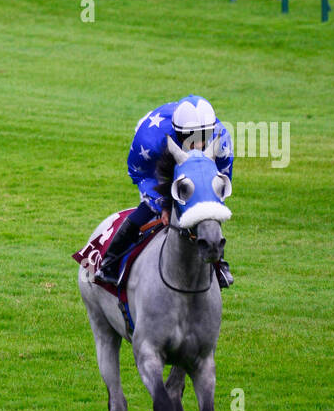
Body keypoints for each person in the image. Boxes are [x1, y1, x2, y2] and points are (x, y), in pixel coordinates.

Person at [97, 94, 234, 286]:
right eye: (191, 139)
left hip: (199, 170)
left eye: (203, 138)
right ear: (179, 134)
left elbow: (219, 181)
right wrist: (162, 205)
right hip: (157, 165)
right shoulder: (149, 139)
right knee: (147, 210)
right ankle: (109, 262)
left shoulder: (222, 141)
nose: (198, 145)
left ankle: (219, 263)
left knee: (208, 214)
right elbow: (140, 174)